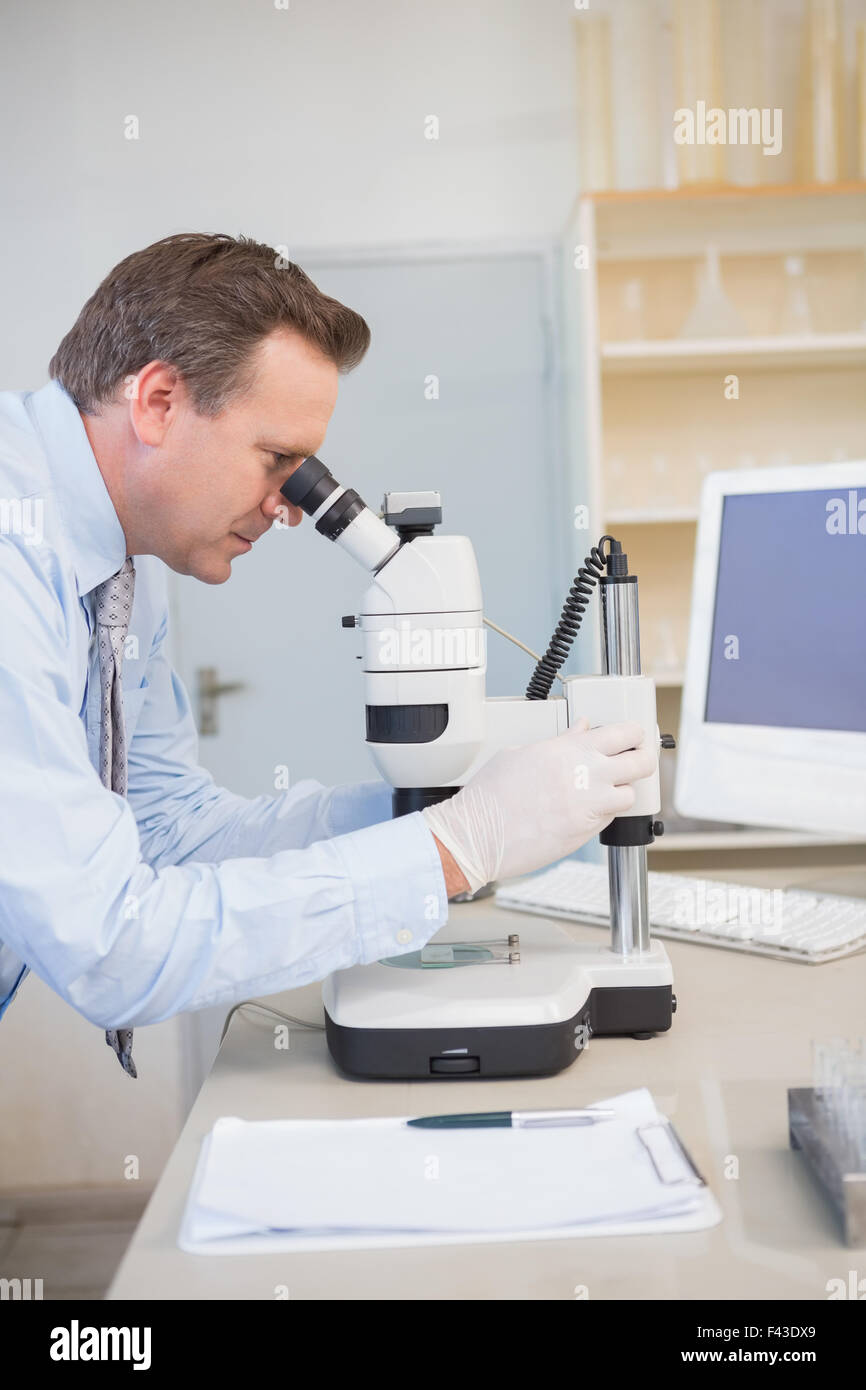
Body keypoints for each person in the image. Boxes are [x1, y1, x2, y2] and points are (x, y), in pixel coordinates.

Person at [0, 232, 654, 1076]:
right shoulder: (15, 559)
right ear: (159, 400)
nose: (292, 507)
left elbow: (169, 834)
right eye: (279, 462)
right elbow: (111, 948)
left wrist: (430, 803)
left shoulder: (122, 559)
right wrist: (455, 846)